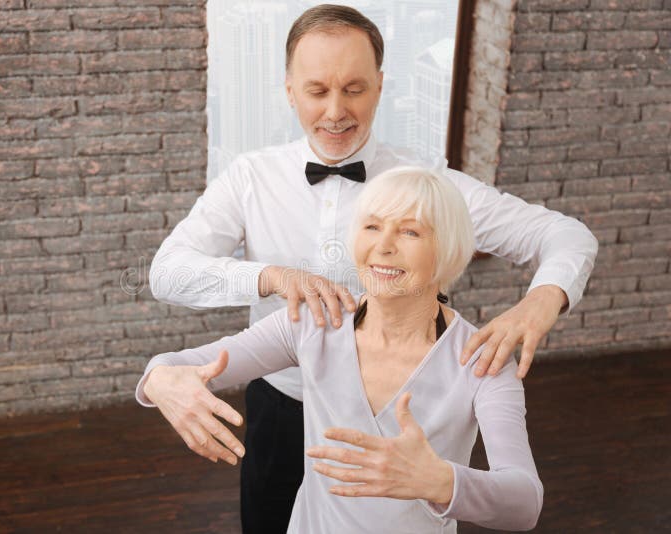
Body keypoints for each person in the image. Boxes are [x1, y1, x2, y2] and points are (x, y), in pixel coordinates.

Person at [148, 5, 596, 532]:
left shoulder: (428, 187)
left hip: (407, 406)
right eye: (317, 90)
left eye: (354, 89)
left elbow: (566, 235)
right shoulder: (250, 178)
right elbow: (168, 272)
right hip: (279, 400)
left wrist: (541, 301)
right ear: (289, 89)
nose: (336, 111)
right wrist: (270, 277)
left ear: (381, 86)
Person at [138, 166, 543, 533]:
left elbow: (525, 502)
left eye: (410, 231)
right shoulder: (315, 324)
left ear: (448, 250)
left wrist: (439, 480)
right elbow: (180, 366)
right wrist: (159, 379)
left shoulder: (483, 360)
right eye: (372, 226)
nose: (383, 246)